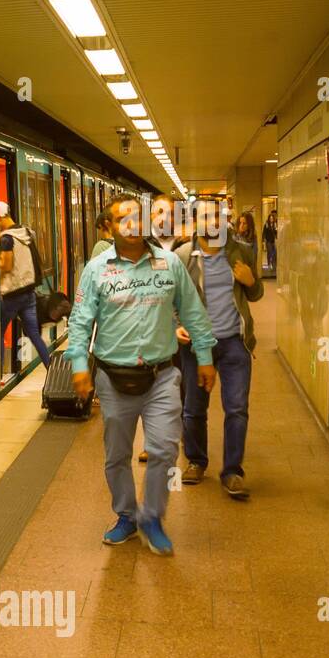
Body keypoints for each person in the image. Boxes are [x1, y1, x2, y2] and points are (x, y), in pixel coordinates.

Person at [67, 193, 216, 556]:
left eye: (138, 218)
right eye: (123, 220)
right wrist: (78, 365)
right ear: (110, 226)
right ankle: (126, 516)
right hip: (114, 379)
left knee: (164, 449)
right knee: (116, 455)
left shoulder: (169, 264)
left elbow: (192, 311)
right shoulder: (97, 269)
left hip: (162, 375)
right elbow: (80, 321)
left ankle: (152, 516)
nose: (132, 226)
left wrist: (205, 354)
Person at [173, 213, 263, 498]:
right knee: (194, 408)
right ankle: (196, 462)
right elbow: (169, 299)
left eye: (219, 218)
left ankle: (233, 471)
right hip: (197, 344)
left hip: (235, 343)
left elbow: (256, 294)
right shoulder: (182, 256)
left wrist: (249, 282)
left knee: (237, 408)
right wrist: (177, 325)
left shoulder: (241, 252)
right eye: (207, 218)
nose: (214, 224)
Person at [0, 200, 51, 373]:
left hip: (12, 294)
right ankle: (51, 368)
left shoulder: (6, 238)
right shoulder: (25, 232)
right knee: (34, 335)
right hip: (29, 292)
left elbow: (6, 265)